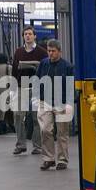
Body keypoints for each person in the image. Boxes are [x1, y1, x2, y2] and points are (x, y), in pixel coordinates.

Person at [35, 39, 74, 170]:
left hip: (61, 102)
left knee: (62, 132)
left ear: (59, 52)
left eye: (53, 51)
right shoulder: (43, 64)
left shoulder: (67, 66)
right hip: (44, 101)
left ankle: (62, 160)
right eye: (49, 51)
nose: (50, 53)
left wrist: (69, 103)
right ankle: (48, 158)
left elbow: (70, 87)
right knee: (45, 129)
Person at [12, 26, 47, 155]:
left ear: (35, 36)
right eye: (25, 34)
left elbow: (45, 69)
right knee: (18, 115)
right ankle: (21, 144)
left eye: (30, 34)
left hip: (36, 86)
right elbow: (14, 70)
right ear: (23, 36)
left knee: (36, 117)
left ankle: (37, 146)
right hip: (21, 86)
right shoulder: (18, 51)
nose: (27, 36)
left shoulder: (41, 52)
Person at [0, 52, 15, 133]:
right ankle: (7, 125)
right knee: (6, 109)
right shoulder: (9, 67)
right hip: (6, 91)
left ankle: (1, 126)